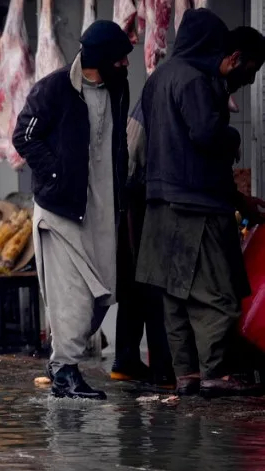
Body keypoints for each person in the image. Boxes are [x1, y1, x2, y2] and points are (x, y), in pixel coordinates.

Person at [136, 12, 265, 398]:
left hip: (160, 203)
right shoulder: (194, 79)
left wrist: (239, 199)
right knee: (218, 295)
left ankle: (187, 374)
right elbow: (206, 135)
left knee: (174, 295)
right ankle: (215, 373)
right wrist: (233, 139)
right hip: (196, 205)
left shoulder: (158, 78)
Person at [12, 20, 133, 400]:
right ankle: (65, 370)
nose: (126, 66)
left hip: (101, 208)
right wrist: (56, 173)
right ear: (102, 59)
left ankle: (61, 360)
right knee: (70, 296)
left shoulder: (118, 89)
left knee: (102, 294)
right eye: (120, 59)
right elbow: (24, 136)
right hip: (61, 211)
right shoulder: (54, 88)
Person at [110, 98, 175, 390]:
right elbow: (133, 149)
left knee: (135, 281)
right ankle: (162, 369)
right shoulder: (171, 89)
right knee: (150, 281)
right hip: (140, 198)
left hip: (134, 196)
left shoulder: (159, 89)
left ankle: (126, 360)